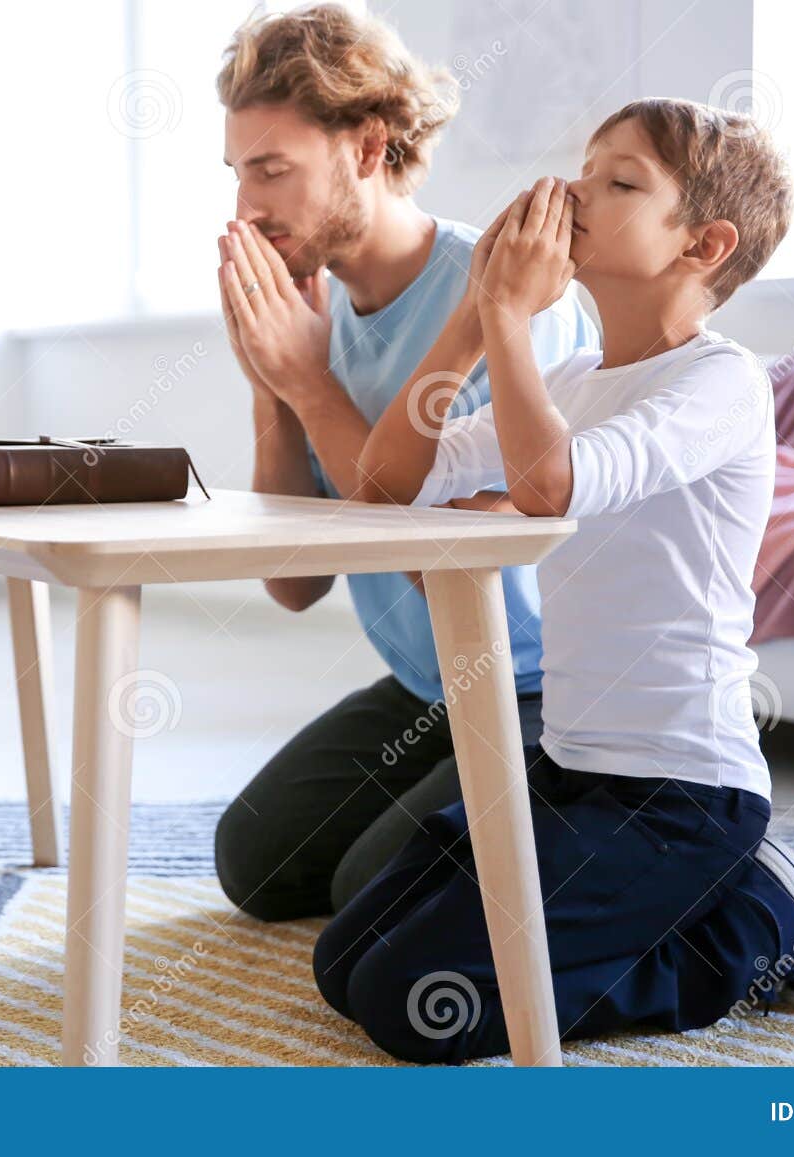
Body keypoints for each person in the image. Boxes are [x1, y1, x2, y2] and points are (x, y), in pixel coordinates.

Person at [322, 97, 794, 1064]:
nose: (577, 191)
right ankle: (720, 900)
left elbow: (549, 484)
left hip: (681, 793)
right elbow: (381, 486)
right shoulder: (572, 377)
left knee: (414, 1006)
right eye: (585, 168)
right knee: (345, 961)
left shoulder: (720, 385)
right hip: (568, 771)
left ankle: (752, 931)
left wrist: (503, 312)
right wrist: (469, 316)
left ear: (704, 243)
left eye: (620, 182)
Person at [211, 3, 599, 921]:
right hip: (434, 687)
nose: (246, 207)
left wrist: (311, 386)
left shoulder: (499, 297)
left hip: (547, 685)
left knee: (371, 897)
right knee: (257, 862)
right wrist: (271, 380)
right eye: (236, 173)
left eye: (272, 170)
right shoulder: (318, 320)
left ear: (368, 148)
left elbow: (452, 565)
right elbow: (294, 587)